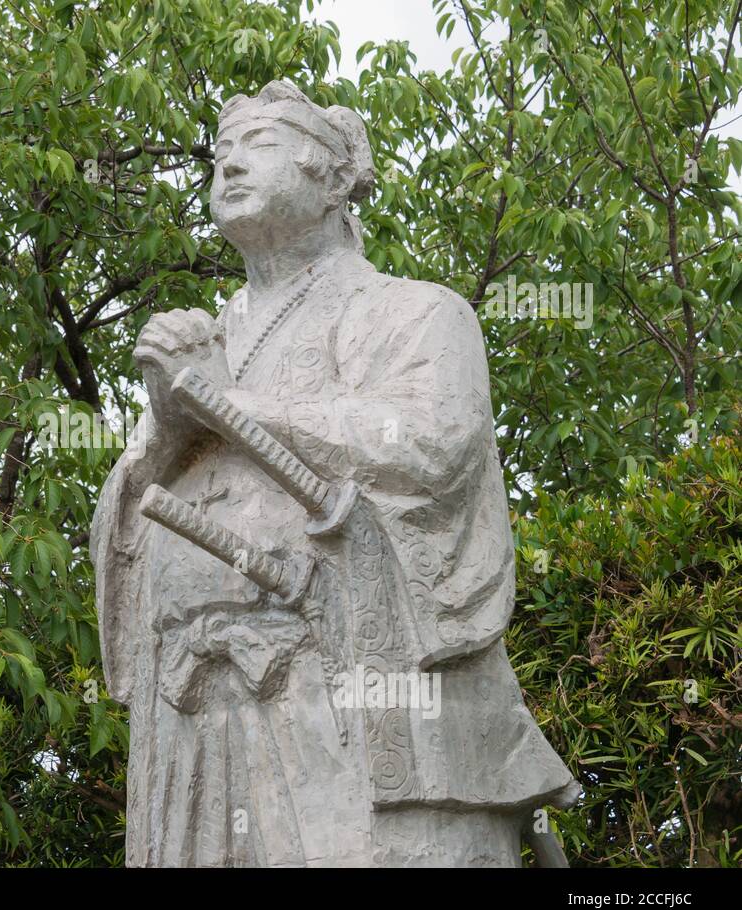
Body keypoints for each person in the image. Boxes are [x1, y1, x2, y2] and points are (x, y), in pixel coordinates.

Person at [91, 80, 578, 867]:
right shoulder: (210, 339)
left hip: (338, 685)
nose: (229, 165)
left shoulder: (415, 312)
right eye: (220, 152)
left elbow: (432, 445)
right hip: (189, 706)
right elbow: (131, 519)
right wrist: (164, 437)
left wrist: (234, 404)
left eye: (258, 144)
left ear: (331, 178)